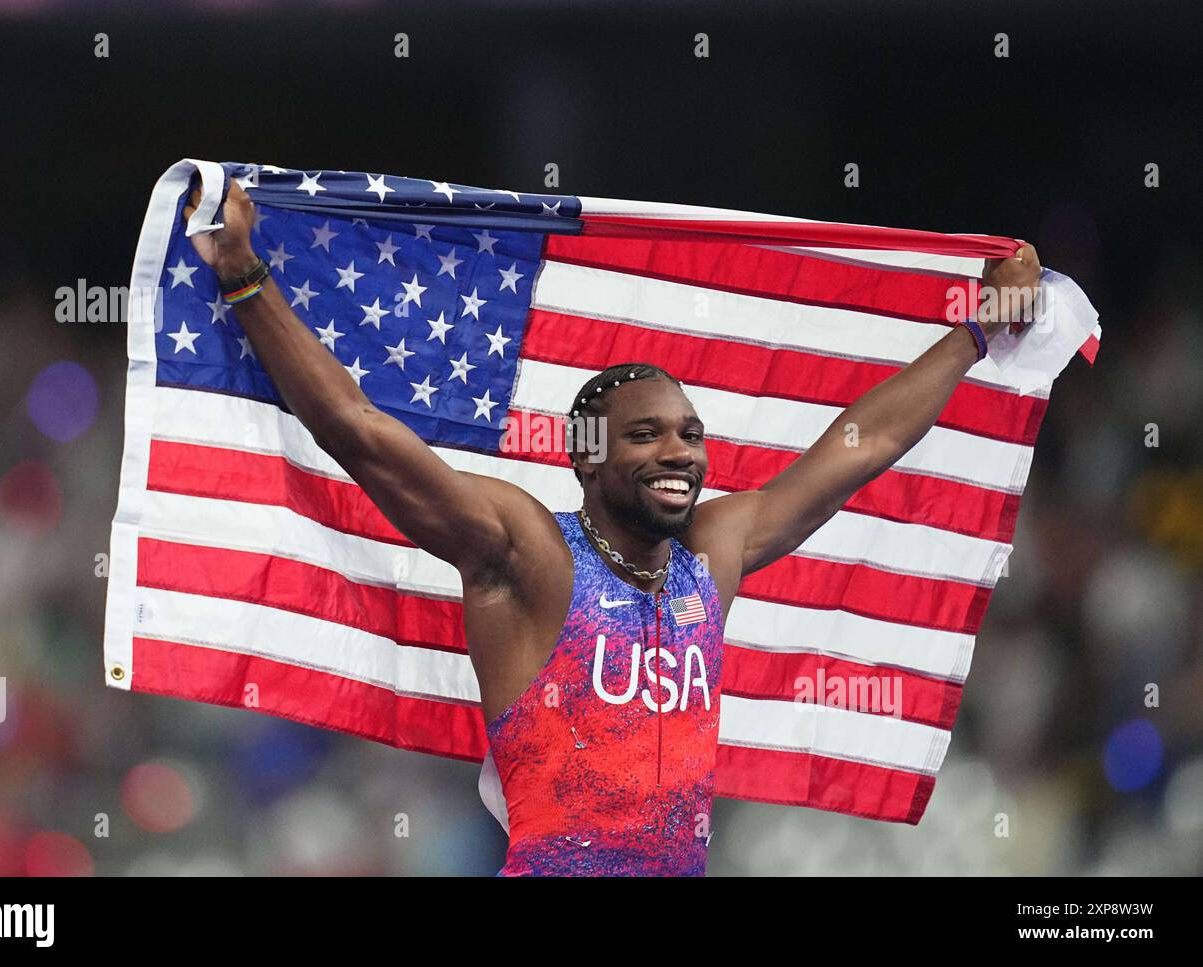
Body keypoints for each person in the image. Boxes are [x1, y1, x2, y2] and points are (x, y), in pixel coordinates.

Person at [183, 180, 1041, 876]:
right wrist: (245, 280)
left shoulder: (714, 552)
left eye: (692, 435)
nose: (681, 453)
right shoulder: (527, 551)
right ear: (586, 456)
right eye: (647, 434)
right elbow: (363, 433)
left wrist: (973, 332)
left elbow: (866, 443)